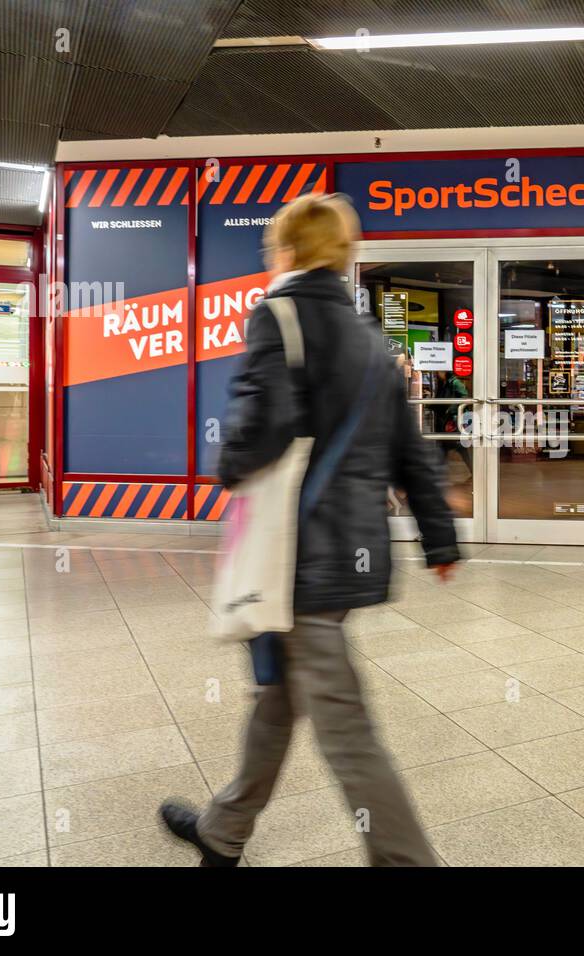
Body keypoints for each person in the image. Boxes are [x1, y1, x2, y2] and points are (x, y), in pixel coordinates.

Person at [159, 192, 459, 867]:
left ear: (288, 252)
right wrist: (440, 538)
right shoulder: (373, 340)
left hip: (299, 558)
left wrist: (228, 463)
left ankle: (406, 860)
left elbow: (260, 426)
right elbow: (412, 452)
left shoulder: (280, 315)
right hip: (351, 554)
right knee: (278, 694)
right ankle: (223, 829)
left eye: (273, 250)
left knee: (345, 727)